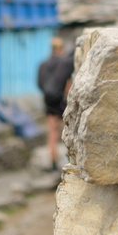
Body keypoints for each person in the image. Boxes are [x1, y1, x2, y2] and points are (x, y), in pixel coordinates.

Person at [37, 36, 73, 171]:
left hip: (48, 101)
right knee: (67, 130)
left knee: (52, 132)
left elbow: (39, 83)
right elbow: (68, 84)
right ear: (61, 49)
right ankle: (70, 158)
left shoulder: (43, 65)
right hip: (61, 101)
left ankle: (53, 162)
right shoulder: (64, 63)